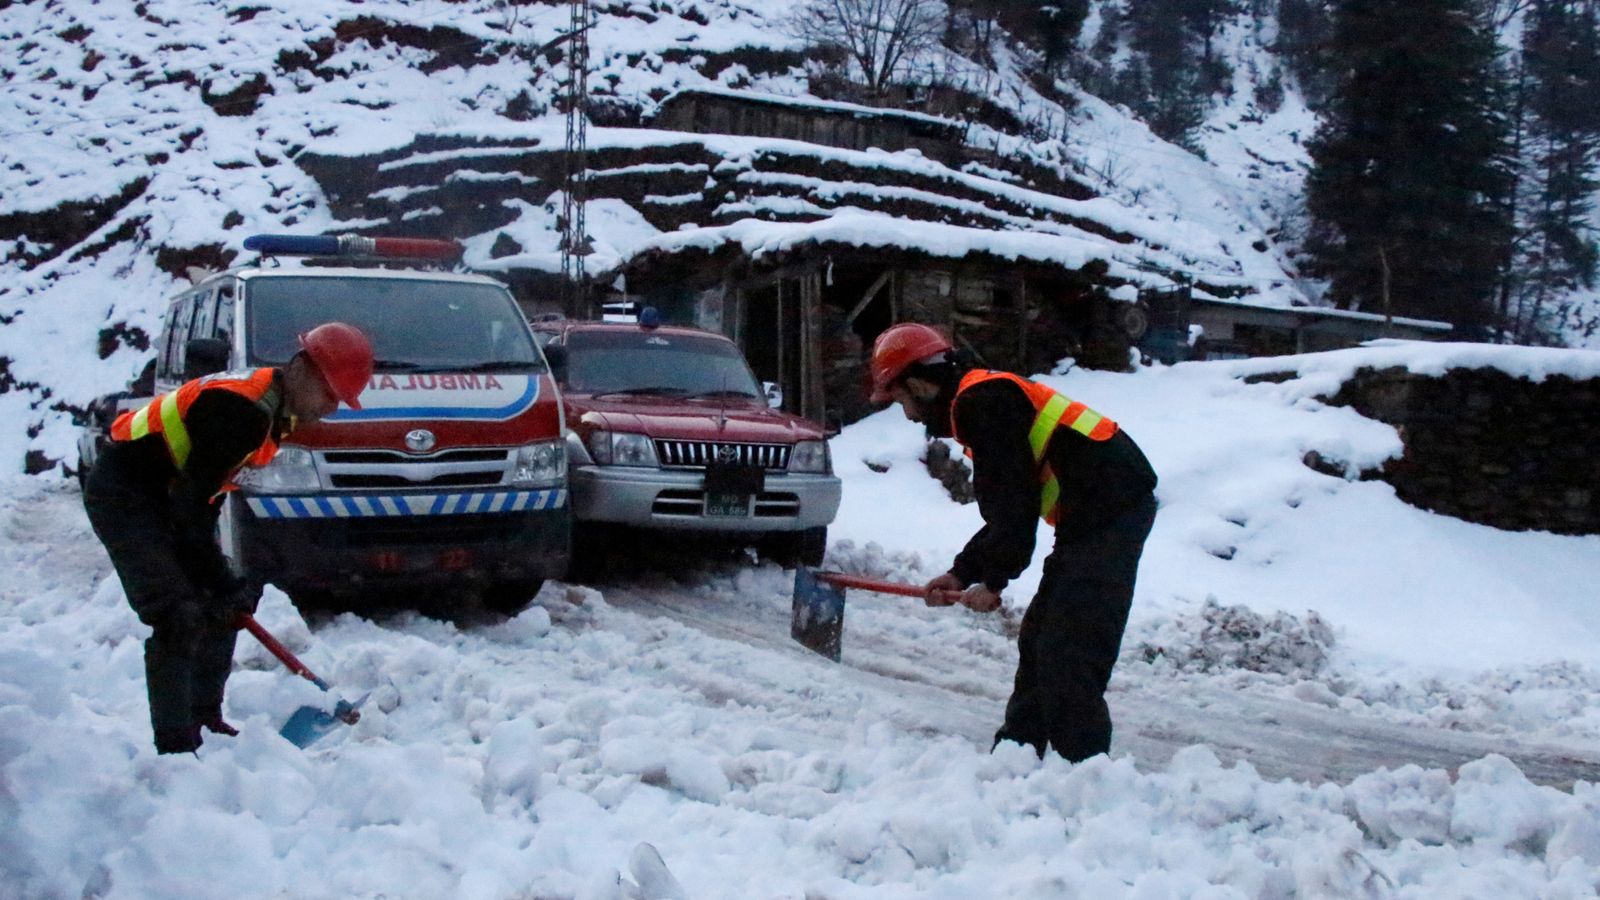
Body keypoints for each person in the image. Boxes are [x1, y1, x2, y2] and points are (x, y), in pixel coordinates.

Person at [868, 323, 1158, 763]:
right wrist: (962, 572)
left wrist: (995, 582)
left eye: (901, 400)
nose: (907, 415)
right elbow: (1007, 510)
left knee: (1068, 648)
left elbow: (1015, 512)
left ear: (920, 384)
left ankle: (1085, 774)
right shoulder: (983, 400)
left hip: (1110, 513)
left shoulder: (981, 404)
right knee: (1041, 638)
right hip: (1090, 518)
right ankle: (1015, 758)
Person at [82, 322, 374, 754]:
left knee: (227, 605)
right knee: (176, 612)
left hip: (164, 495)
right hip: (125, 495)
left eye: (337, 400)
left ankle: (206, 719)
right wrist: (217, 576)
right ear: (299, 367)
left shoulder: (272, 410)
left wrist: (222, 584)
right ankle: (177, 750)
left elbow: (205, 495)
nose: (329, 408)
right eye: (327, 393)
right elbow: (189, 508)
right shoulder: (242, 411)